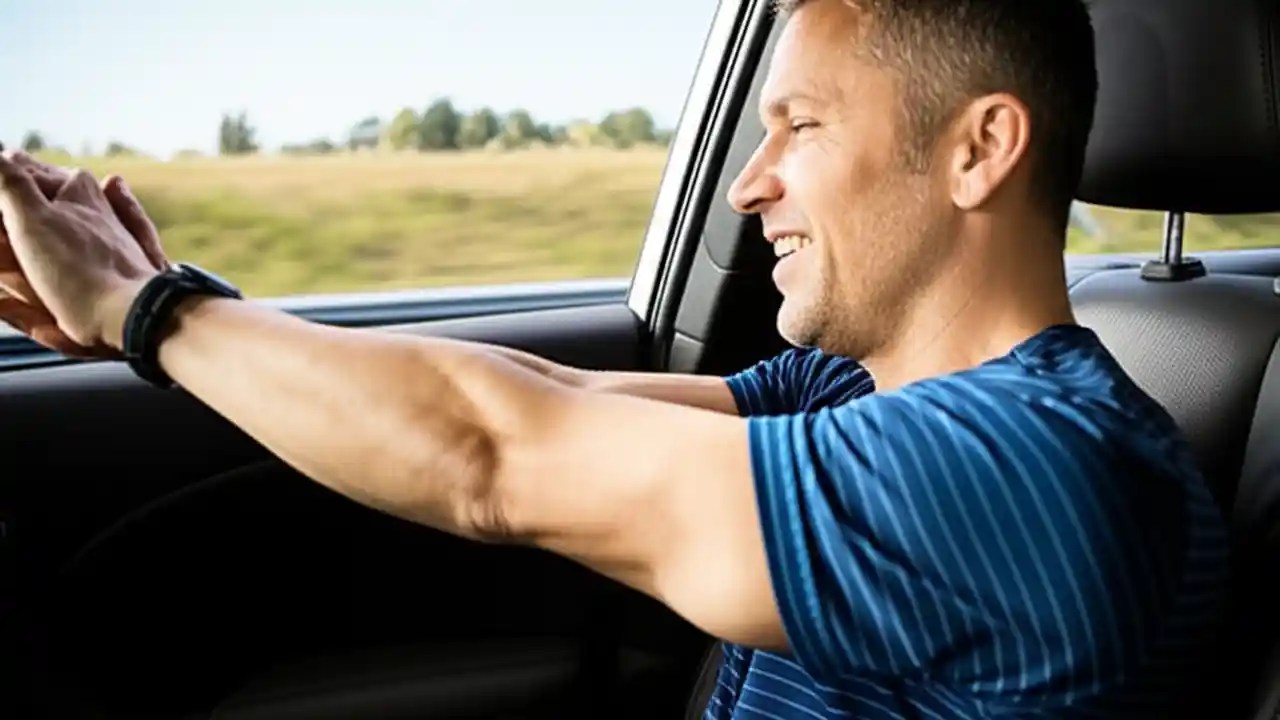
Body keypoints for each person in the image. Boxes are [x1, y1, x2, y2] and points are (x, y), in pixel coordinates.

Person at [0, 0, 1228, 717]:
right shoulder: (854, 389)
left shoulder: (1032, 469)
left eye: (799, 125)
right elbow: (550, 398)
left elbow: (491, 456)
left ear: (978, 151)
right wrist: (194, 318)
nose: (749, 185)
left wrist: (144, 313)